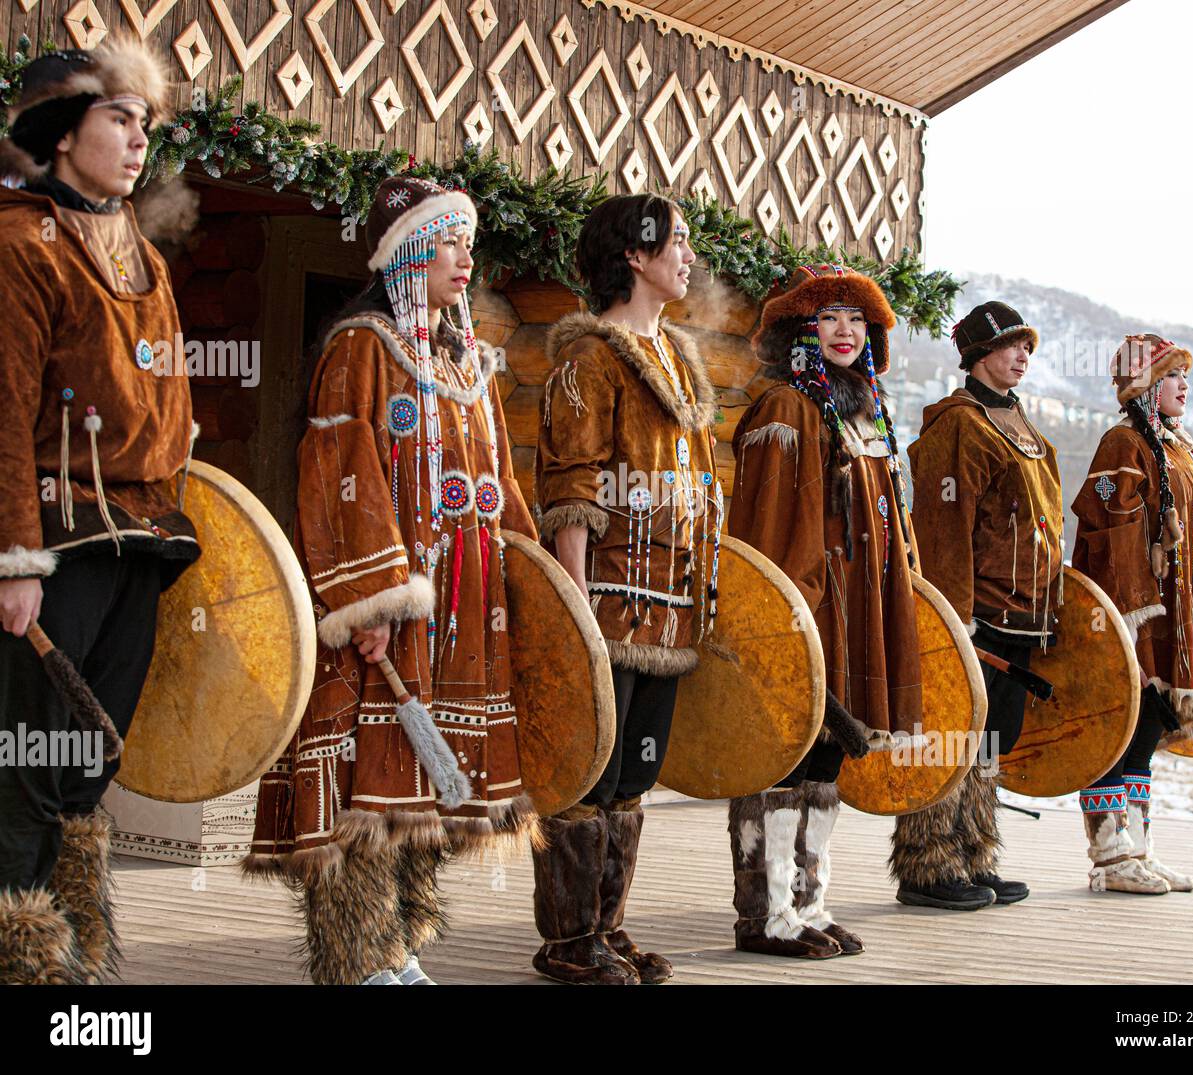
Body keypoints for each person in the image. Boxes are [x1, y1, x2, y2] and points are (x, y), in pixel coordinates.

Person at [242, 176, 538, 984]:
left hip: (463, 611)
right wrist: (361, 600)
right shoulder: (361, 347)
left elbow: (500, 479)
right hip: (386, 609)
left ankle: (403, 946)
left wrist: (528, 581)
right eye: (447, 239)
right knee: (363, 786)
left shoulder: (472, 363)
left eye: (467, 239)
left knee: (426, 789)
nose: (464, 255)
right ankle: (358, 955)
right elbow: (341, 474)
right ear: (407, 250)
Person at [0, 39, 199, 984]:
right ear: (62, 130)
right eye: (118, 118)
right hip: (55, 542)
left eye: (144, 124)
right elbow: (1, 413)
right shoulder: (16, 244)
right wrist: (14, 558)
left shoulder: (143, 258)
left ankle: (65, 958)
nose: (136, 140)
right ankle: (17, 956)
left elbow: (171, 410)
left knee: (87, 770)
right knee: (29, 768)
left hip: (138, 541)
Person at [532, 193, 717, 984]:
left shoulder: (676, 359)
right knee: (589, 774)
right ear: (634, 257)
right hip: (605, 603)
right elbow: (571, 492)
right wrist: (574, 613)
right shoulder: (589, 360)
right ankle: (568, 940)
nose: (689, 256)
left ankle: (607, 927)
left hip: (667, 613)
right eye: (676, 242)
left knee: (634, 776)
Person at [726, 264, 924, 957]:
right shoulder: (785, 406)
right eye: (829, 317)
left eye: (857, 319)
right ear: (801, 330)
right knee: (788, 755)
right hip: (804, 616)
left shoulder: (864, 413)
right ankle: (768, 911)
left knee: (829, 758)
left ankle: (809, 901)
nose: (845, 330)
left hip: (855, 616)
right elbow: (770, 530)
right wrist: (782, 627)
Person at [893, 301, 1063, 910]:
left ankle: (973, 854)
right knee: (954, 735)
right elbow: (944, 525)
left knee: (994, 738)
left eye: (1028, 348)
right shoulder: (959, 424)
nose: (1022, 357)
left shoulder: (1019, 421)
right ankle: (926, 865)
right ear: (977, 354)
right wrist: (952, 617)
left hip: (1022, 611)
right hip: (978, 613)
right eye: (1010, 346)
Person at [1070, 334, 1193, 894]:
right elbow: (1110, 533)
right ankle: (1108, 855)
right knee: (1120, 721)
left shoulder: (1178, 446)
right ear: (1147, 386)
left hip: (1172, 611)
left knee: (1148, 727)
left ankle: (1138, 846)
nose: (1185, 387)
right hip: (1135, 612)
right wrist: (1130, 613)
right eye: (1174, 376)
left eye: (1185, 377)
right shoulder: (1122, 443)